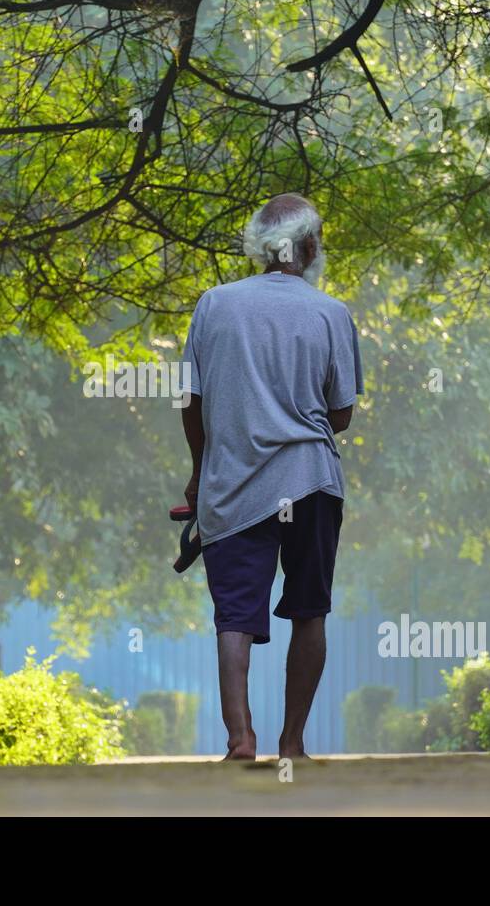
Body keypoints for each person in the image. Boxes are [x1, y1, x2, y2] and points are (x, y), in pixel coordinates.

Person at [180, 192, 365, 760]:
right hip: (310, 479)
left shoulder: (214, 304)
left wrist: (199, 472)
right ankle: (293, 744)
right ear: (308, 247)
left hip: (232, 485)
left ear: (262, 248)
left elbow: (190, 400)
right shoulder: (331, 313)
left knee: (234, 616)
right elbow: (341, 414)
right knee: (309, 610)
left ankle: (240, 740)